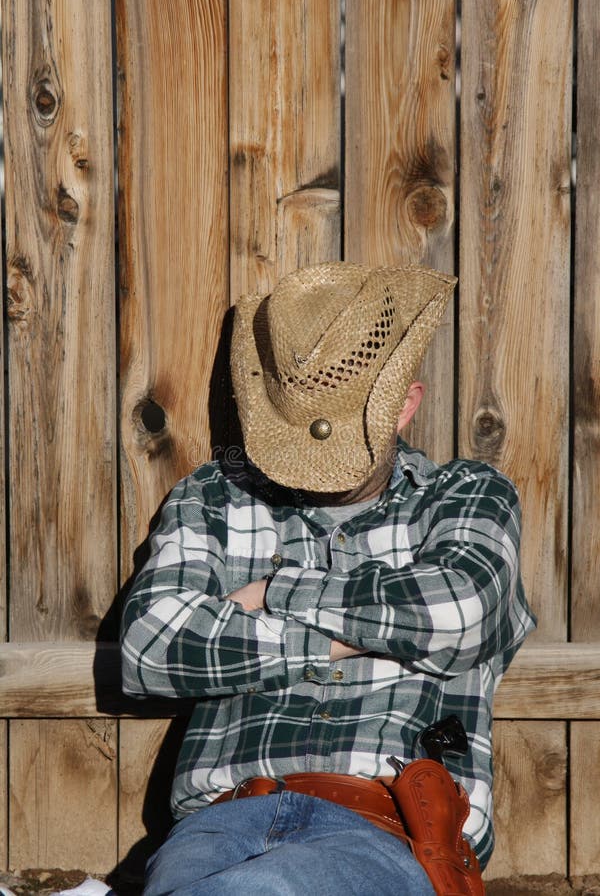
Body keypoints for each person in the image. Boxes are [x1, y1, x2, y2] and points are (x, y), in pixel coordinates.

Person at [121, 262, 536, 895]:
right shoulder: (214, 497)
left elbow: (459, 613)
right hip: (216, 822)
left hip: (390, 827)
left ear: (405, 406)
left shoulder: (465, 495)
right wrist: (359, 634)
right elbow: (150, 647)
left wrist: (275, 595)